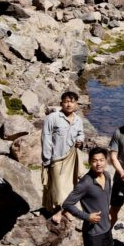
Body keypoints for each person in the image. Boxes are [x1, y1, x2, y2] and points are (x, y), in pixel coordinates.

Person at [41, 91, 86, 223]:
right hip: (56, 157)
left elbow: (81, 133)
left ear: (76, 104)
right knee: (57, 186)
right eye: (66, 101)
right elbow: (46, 138)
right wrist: (47, 158)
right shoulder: (53, 118)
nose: (68, 104)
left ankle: (66, 210)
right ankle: (57, 211)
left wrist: (80, 139)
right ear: (61, 103)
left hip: (71, 158)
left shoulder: (78, 120)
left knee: (70, 185)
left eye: (72, 102)